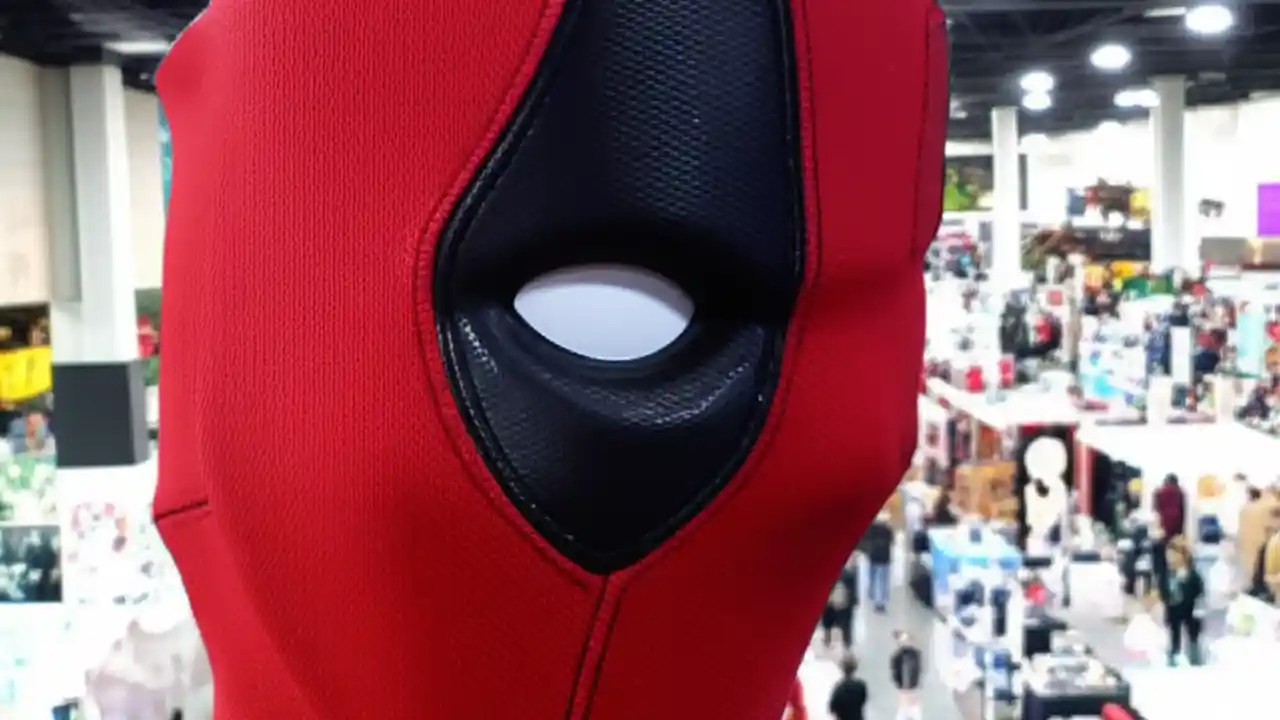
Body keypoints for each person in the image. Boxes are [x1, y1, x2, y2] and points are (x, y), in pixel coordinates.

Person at [1160, 537, 1204, 666]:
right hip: (1173, 609)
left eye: (1173, 555)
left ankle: (1194, 655)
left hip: (1190, 609)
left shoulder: (1191, 574)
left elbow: (1198, 590)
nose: (1170, 559)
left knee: (1192, 634)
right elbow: (1163, 588)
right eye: (1168, 555)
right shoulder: (1168, 574)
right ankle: (1173, 653)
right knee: (1174, 632)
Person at [821, 556, 858, 650]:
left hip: (830, 604)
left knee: (828, 625)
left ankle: (828, 642)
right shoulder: (849, 574)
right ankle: (846, 645)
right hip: (845, 605)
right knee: (846, 627)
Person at [861, 511, 895, 613]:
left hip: (873, 556)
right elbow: (892, 541)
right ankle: (880, 602)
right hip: (885, 557)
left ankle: (872, 593)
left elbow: (865, 540)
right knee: (883, 580)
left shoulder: (871, 529)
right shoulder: (888, 530)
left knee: (873, 576)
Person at [889, 630, 923, 720]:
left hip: (908, 690)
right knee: (908, 707)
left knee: (908, 707)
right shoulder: (899, 658)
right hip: (907, 690)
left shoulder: (900, 657)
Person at [827, 653, 867, 720]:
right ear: (854, 668)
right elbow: (863, 701)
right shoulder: (861, 686)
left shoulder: (839, 688)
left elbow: (832, 708)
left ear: (843, 669)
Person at [1154, 473, 1186, 541]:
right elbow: (1182, 510)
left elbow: (1156, 507)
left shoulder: (1160, 491)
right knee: (1175, 546)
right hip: (1177, 523)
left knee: (1164, 544)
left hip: (1164, 523)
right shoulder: (1180, 492)